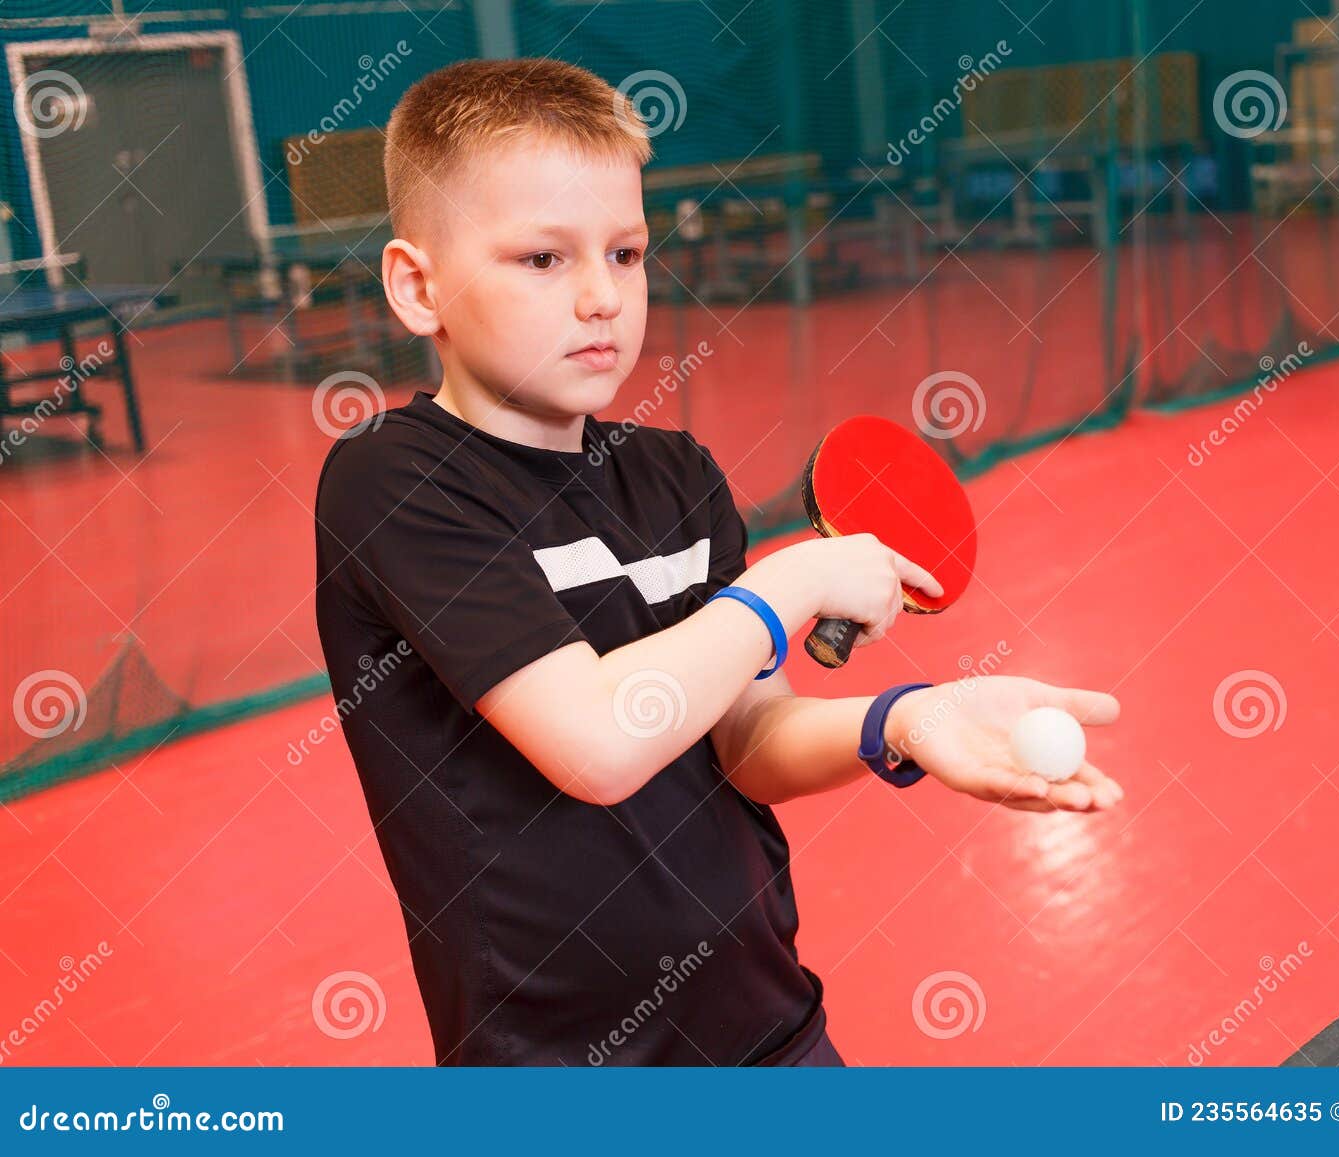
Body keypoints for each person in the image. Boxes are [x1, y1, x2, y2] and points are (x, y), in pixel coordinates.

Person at [313, 57, 1124, 1067]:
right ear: (416, 285)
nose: (601, 296)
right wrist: (789, 583)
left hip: (772, 1029)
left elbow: (744, 734)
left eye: (625, 251)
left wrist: (899, 718)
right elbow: (599, 741)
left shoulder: (674, 475)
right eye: (541, 260)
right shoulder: (396, 483)